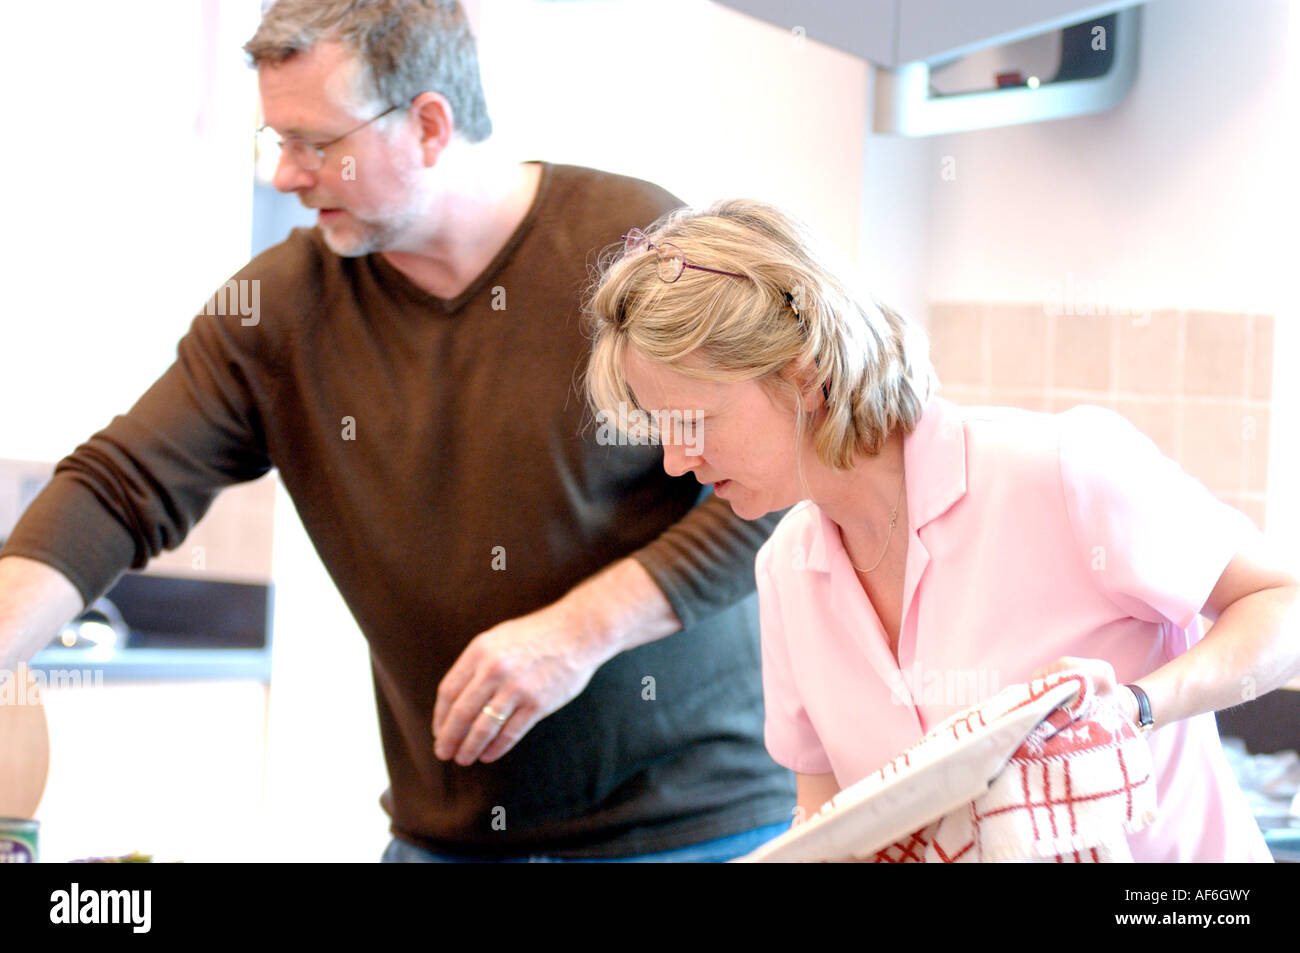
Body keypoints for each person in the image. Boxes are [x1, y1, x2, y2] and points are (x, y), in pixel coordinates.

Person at [0, 1, 797, 862]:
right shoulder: (276, 312)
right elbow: (118, 488)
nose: (286, 175)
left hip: (697, 832)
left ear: (428, 124)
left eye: (315, 143)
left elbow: (777, 479)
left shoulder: (635, 248)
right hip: (445, 837)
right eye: (277, 141)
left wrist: (578, 630)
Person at [584, 198, 1300, 862]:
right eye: (661, 429)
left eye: (694, 422)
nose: (676, 460)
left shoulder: (1063, 469)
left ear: (803, 375)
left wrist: (1139, 708)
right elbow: (829, 829)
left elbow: (1284, 602)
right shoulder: (786, 571)